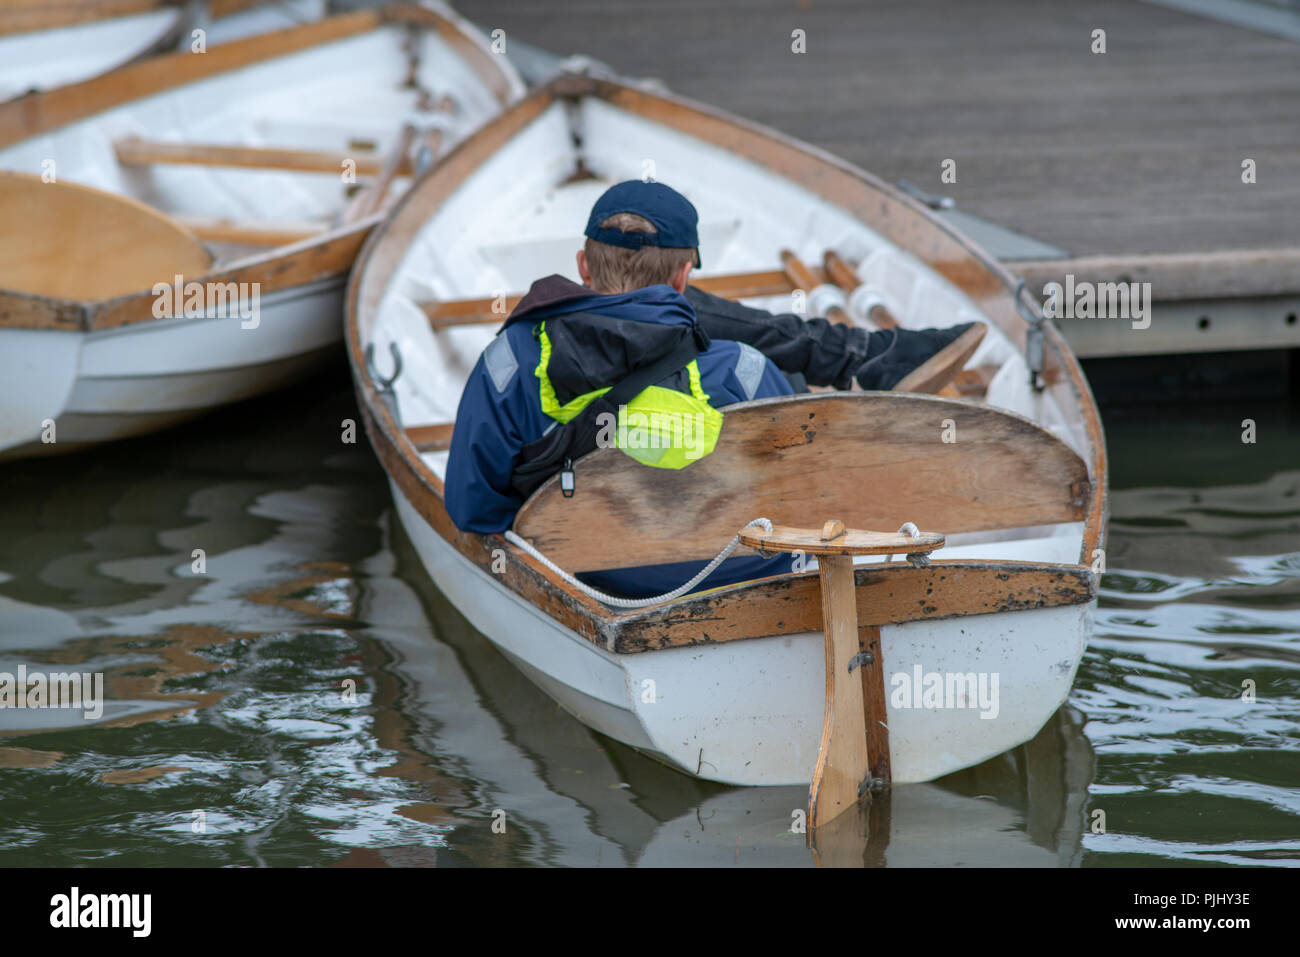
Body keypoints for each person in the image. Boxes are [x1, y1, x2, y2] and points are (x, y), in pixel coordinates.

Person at [445, 180, 975, 597]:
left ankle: (857, 358)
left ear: (582, 266)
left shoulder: (508, 361)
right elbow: (807, 494)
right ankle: (859, 362)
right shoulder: (741, 368)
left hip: (600, 581)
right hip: (740, 575)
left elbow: (474, 511)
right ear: (682, 279)